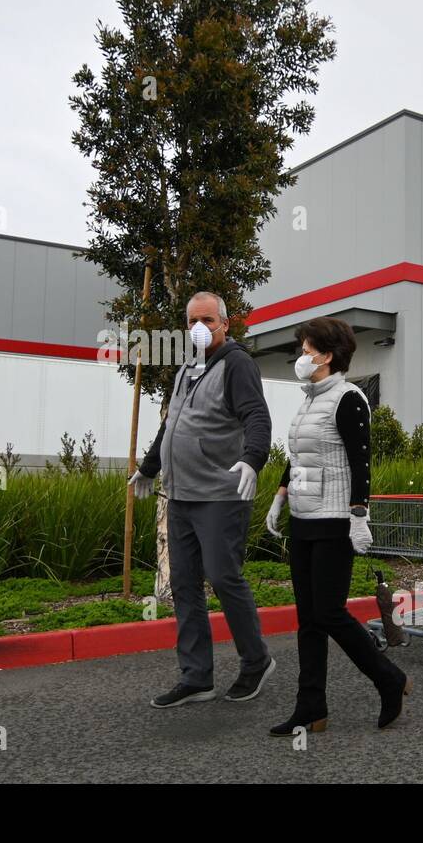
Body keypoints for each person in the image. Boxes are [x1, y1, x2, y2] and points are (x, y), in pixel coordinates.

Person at [265, 317, 413, 733]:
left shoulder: (348, 398)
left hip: (334, 521)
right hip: (304, 520)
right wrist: (280, 498)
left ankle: (389, 678)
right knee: (308, 618)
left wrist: (358, 514)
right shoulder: (309, 400)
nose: (300, 356)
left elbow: (360, 461)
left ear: (327, 355)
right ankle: (311, 706)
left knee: (329, 613)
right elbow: (296, 456)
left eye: (306, 349)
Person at [129, 291, 276, 708]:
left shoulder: (237, 364)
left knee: (223, 576)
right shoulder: (185, 368)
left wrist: (252, 460)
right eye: (193, 320)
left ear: (225, 325)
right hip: (181, 496)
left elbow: (257, 416)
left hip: (219, 495)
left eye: (208, 320)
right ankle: (196, 677)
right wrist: (149, 467)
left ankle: (256, 662)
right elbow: (171, 424)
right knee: (184, 584)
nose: (200, 327)